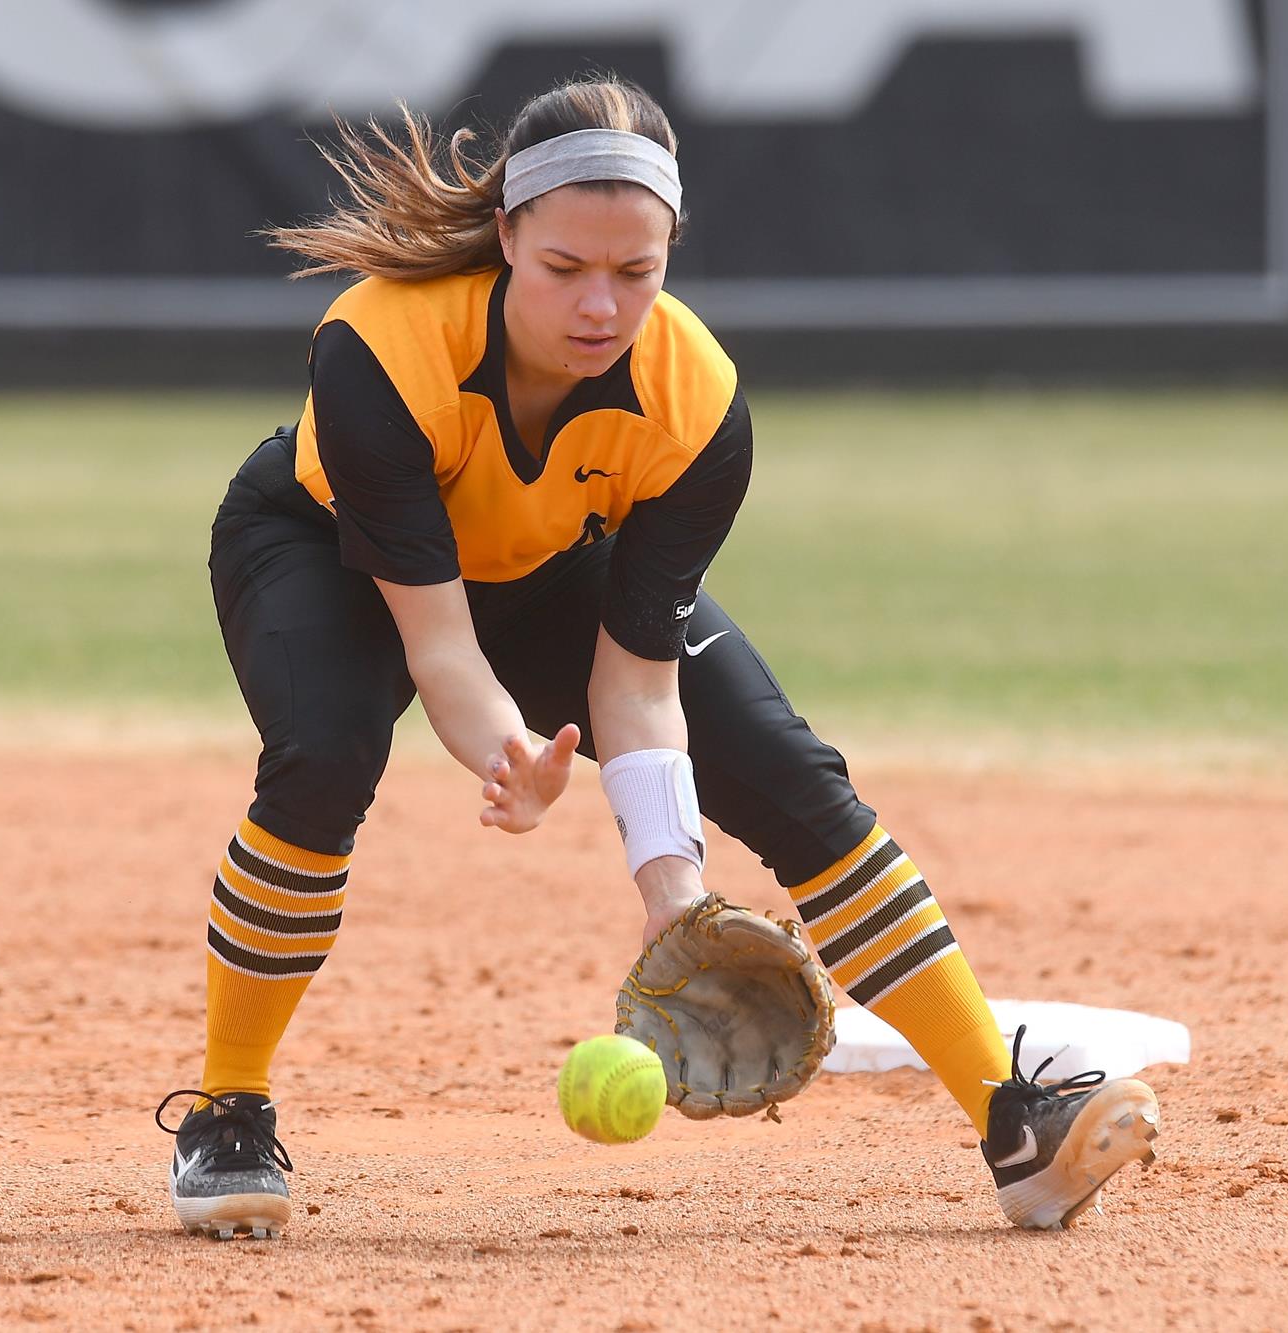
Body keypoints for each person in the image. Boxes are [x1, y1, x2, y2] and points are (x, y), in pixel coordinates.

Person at [154, 76, 1159, 1240]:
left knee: (793, 779)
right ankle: (229, 1108)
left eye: (636, 272)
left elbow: (634, 684)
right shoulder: (382, 348)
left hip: (551, 566)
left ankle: (1013, 1121)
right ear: (506, 237)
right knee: (323, 759)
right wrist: (510, 758)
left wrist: (669, 888)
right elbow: (437, 644)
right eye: (565, 267)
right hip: (321, 551)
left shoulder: (694, 402)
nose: (600, 305)